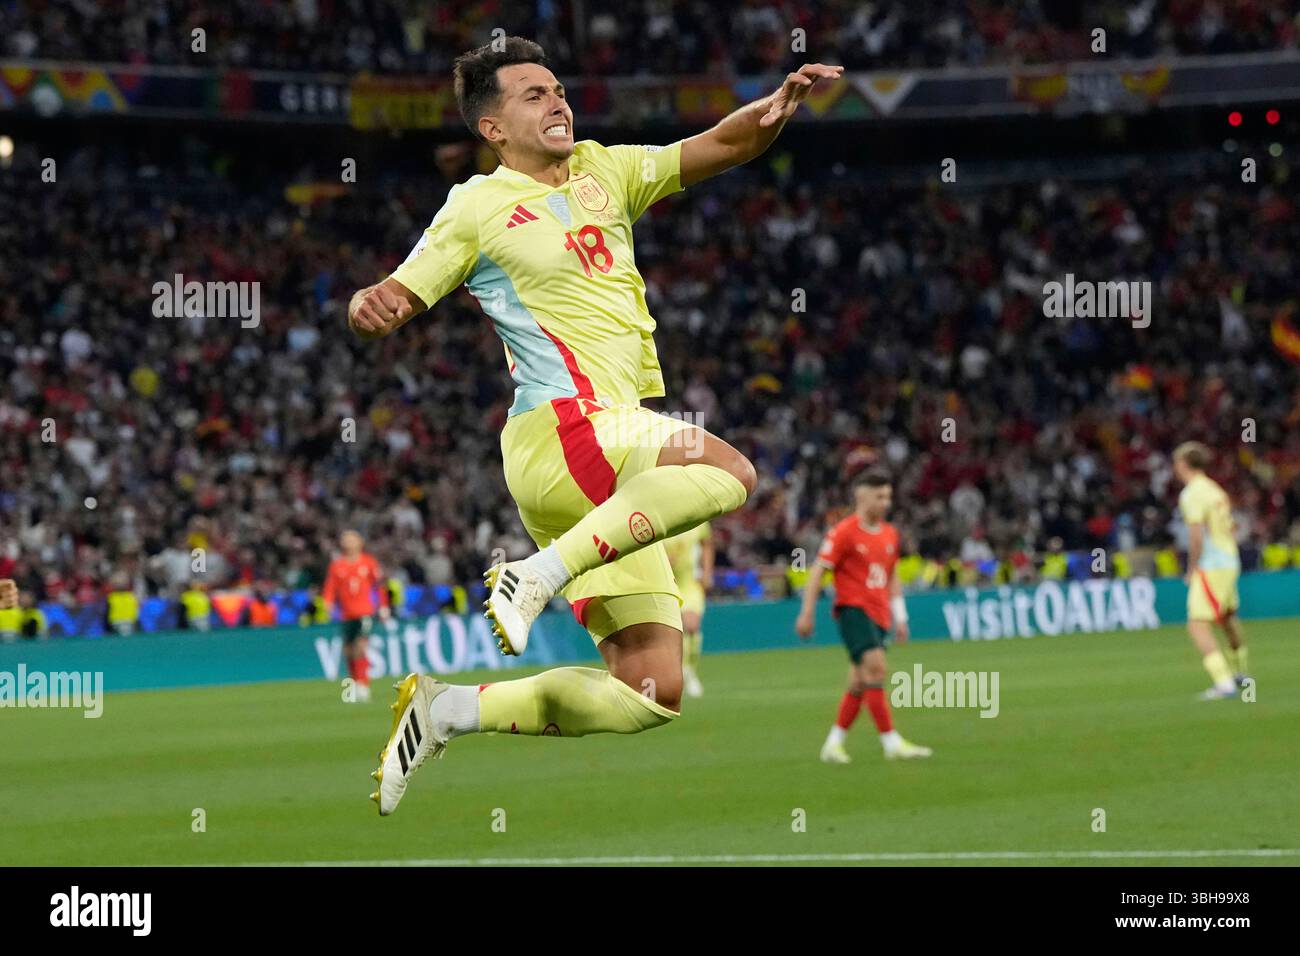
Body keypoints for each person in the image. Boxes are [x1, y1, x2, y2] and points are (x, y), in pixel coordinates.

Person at [348, 36, 841, 814]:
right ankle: (534, 575)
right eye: (533, 94)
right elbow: (397, 294)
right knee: (728, 472)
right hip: (562, 429)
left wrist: (775, 110)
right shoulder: (476, 206)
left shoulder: (604, 170)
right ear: (493, 129)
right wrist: (368, 306)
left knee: (650, 688)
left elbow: (717, 144)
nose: (558, 100)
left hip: (602, 461)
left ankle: (447, 710)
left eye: (559, 88)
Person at [795, 471, 932, 762]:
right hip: (853, 610)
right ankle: (891, 742)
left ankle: (833, 745)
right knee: (877, 669)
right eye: (880, 496)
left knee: (859, 680)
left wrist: (901, 616)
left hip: (879, 612)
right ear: (861, 496)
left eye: (888, 496)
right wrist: (807, 612)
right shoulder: (843, 532)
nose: (886, 502)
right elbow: (819, 571)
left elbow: (891, 576)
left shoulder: (890, 534)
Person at [1172, 442, 1249, 699]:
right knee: (1227, 618)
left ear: (1184, 464)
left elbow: (1196, 536)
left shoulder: (1192, 493)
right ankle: (1240, 671)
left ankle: (1223, 682)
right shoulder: (1215, 489)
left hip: (1212, 564)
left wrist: (1192, 568)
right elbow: (1233, 526)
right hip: (1229, 559)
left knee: (1197, 624)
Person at [322, 531, 390, 703]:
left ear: (360, 542)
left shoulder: (368, 562)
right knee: (349, 651)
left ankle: (363, 685)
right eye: (345, 539)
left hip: (365, 613)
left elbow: (380, 586)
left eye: (351, 539)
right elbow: (331, 587)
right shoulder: (337, 565)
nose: (348, 542)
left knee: (360, 646)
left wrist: (383, 606)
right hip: (346, 614)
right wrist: (328, 603)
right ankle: (354, 684)